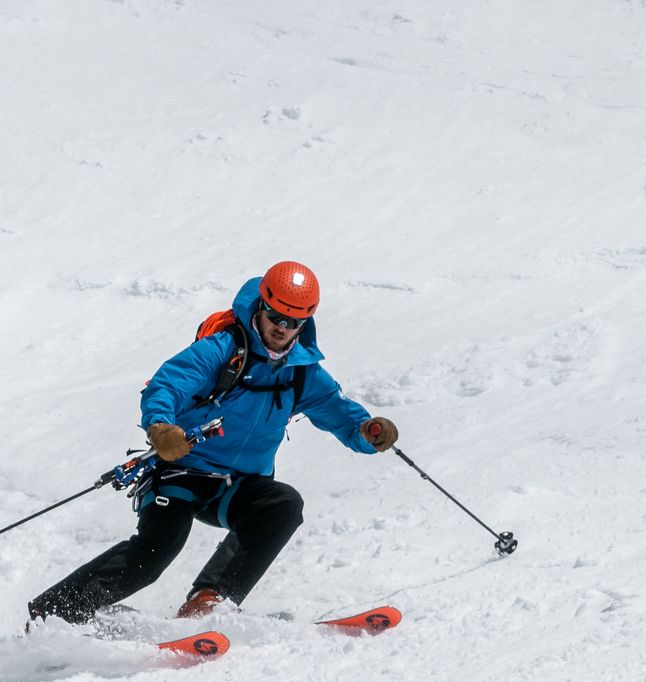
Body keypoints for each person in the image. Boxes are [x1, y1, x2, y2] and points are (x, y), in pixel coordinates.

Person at [27, 261, 398, 628]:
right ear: (262, 308)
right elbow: (167, 385)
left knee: (283, 505)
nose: (282, 328)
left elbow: (339, 412)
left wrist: (367, 431)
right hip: (181, 470)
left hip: (236, 485)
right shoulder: (223, 349)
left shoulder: (302, 372)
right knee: (158, 549)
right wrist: (161, 428)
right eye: (276, 317)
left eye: (293, 322)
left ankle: (208, 600)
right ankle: (53, 614)